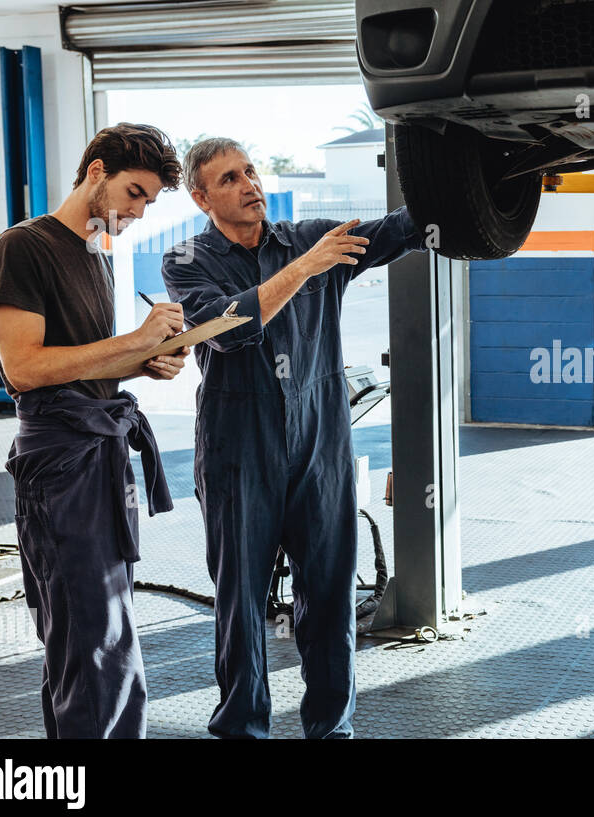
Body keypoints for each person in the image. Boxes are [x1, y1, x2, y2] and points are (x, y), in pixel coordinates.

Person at [162, 137, 425, 739]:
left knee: (331, 601)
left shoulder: (311, 234)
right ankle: (242, 730)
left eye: (251, 170)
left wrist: (479, 188)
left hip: (319, 449)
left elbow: (400, 230)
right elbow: (226, 328)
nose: (249, 184)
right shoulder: (185, 261)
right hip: (237, 451)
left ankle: (331, 731)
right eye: (229, 178)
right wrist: (306, 266)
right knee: (241, 606)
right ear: (202, 197)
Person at [0, 122, 190, 738]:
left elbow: (91, 360)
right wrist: (131, 342)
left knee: (110, 633)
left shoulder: (97, 255)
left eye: (149, 202)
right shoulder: (23, 248)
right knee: (86, 636)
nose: (138, 211)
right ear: (96, 171)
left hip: (101, 457)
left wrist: (149, 361)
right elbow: (23, 369)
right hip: (60, 462)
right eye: (134, 193)